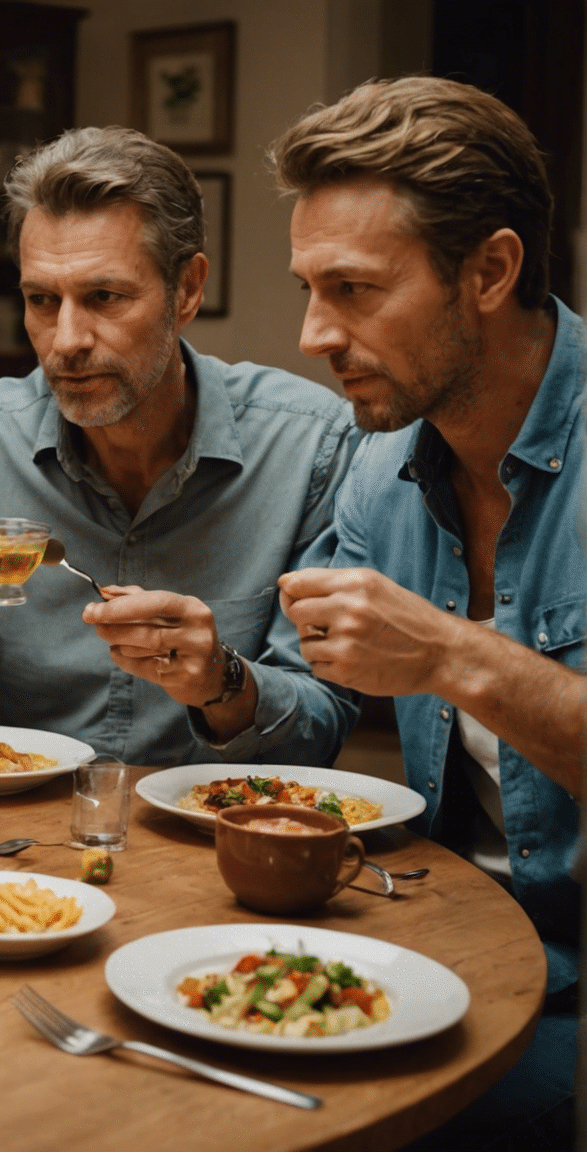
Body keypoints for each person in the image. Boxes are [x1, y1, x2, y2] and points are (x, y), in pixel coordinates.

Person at [0, 126, 360, 766]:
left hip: (214, 834)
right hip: (14, 834)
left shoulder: (309, 445)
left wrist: (223, 679)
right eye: (42, 300)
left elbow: (324, 724)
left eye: (104, 297)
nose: (66, 339)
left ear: (186, 290)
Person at [271, 77, 580, 1151]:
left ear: (490, 270)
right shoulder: (380, 470)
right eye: (311, 288)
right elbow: (312, 695)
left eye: (355, 290)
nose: (314, 334)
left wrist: (455, 655)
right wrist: (212, 674)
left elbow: (432, 660)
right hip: (447, 940)